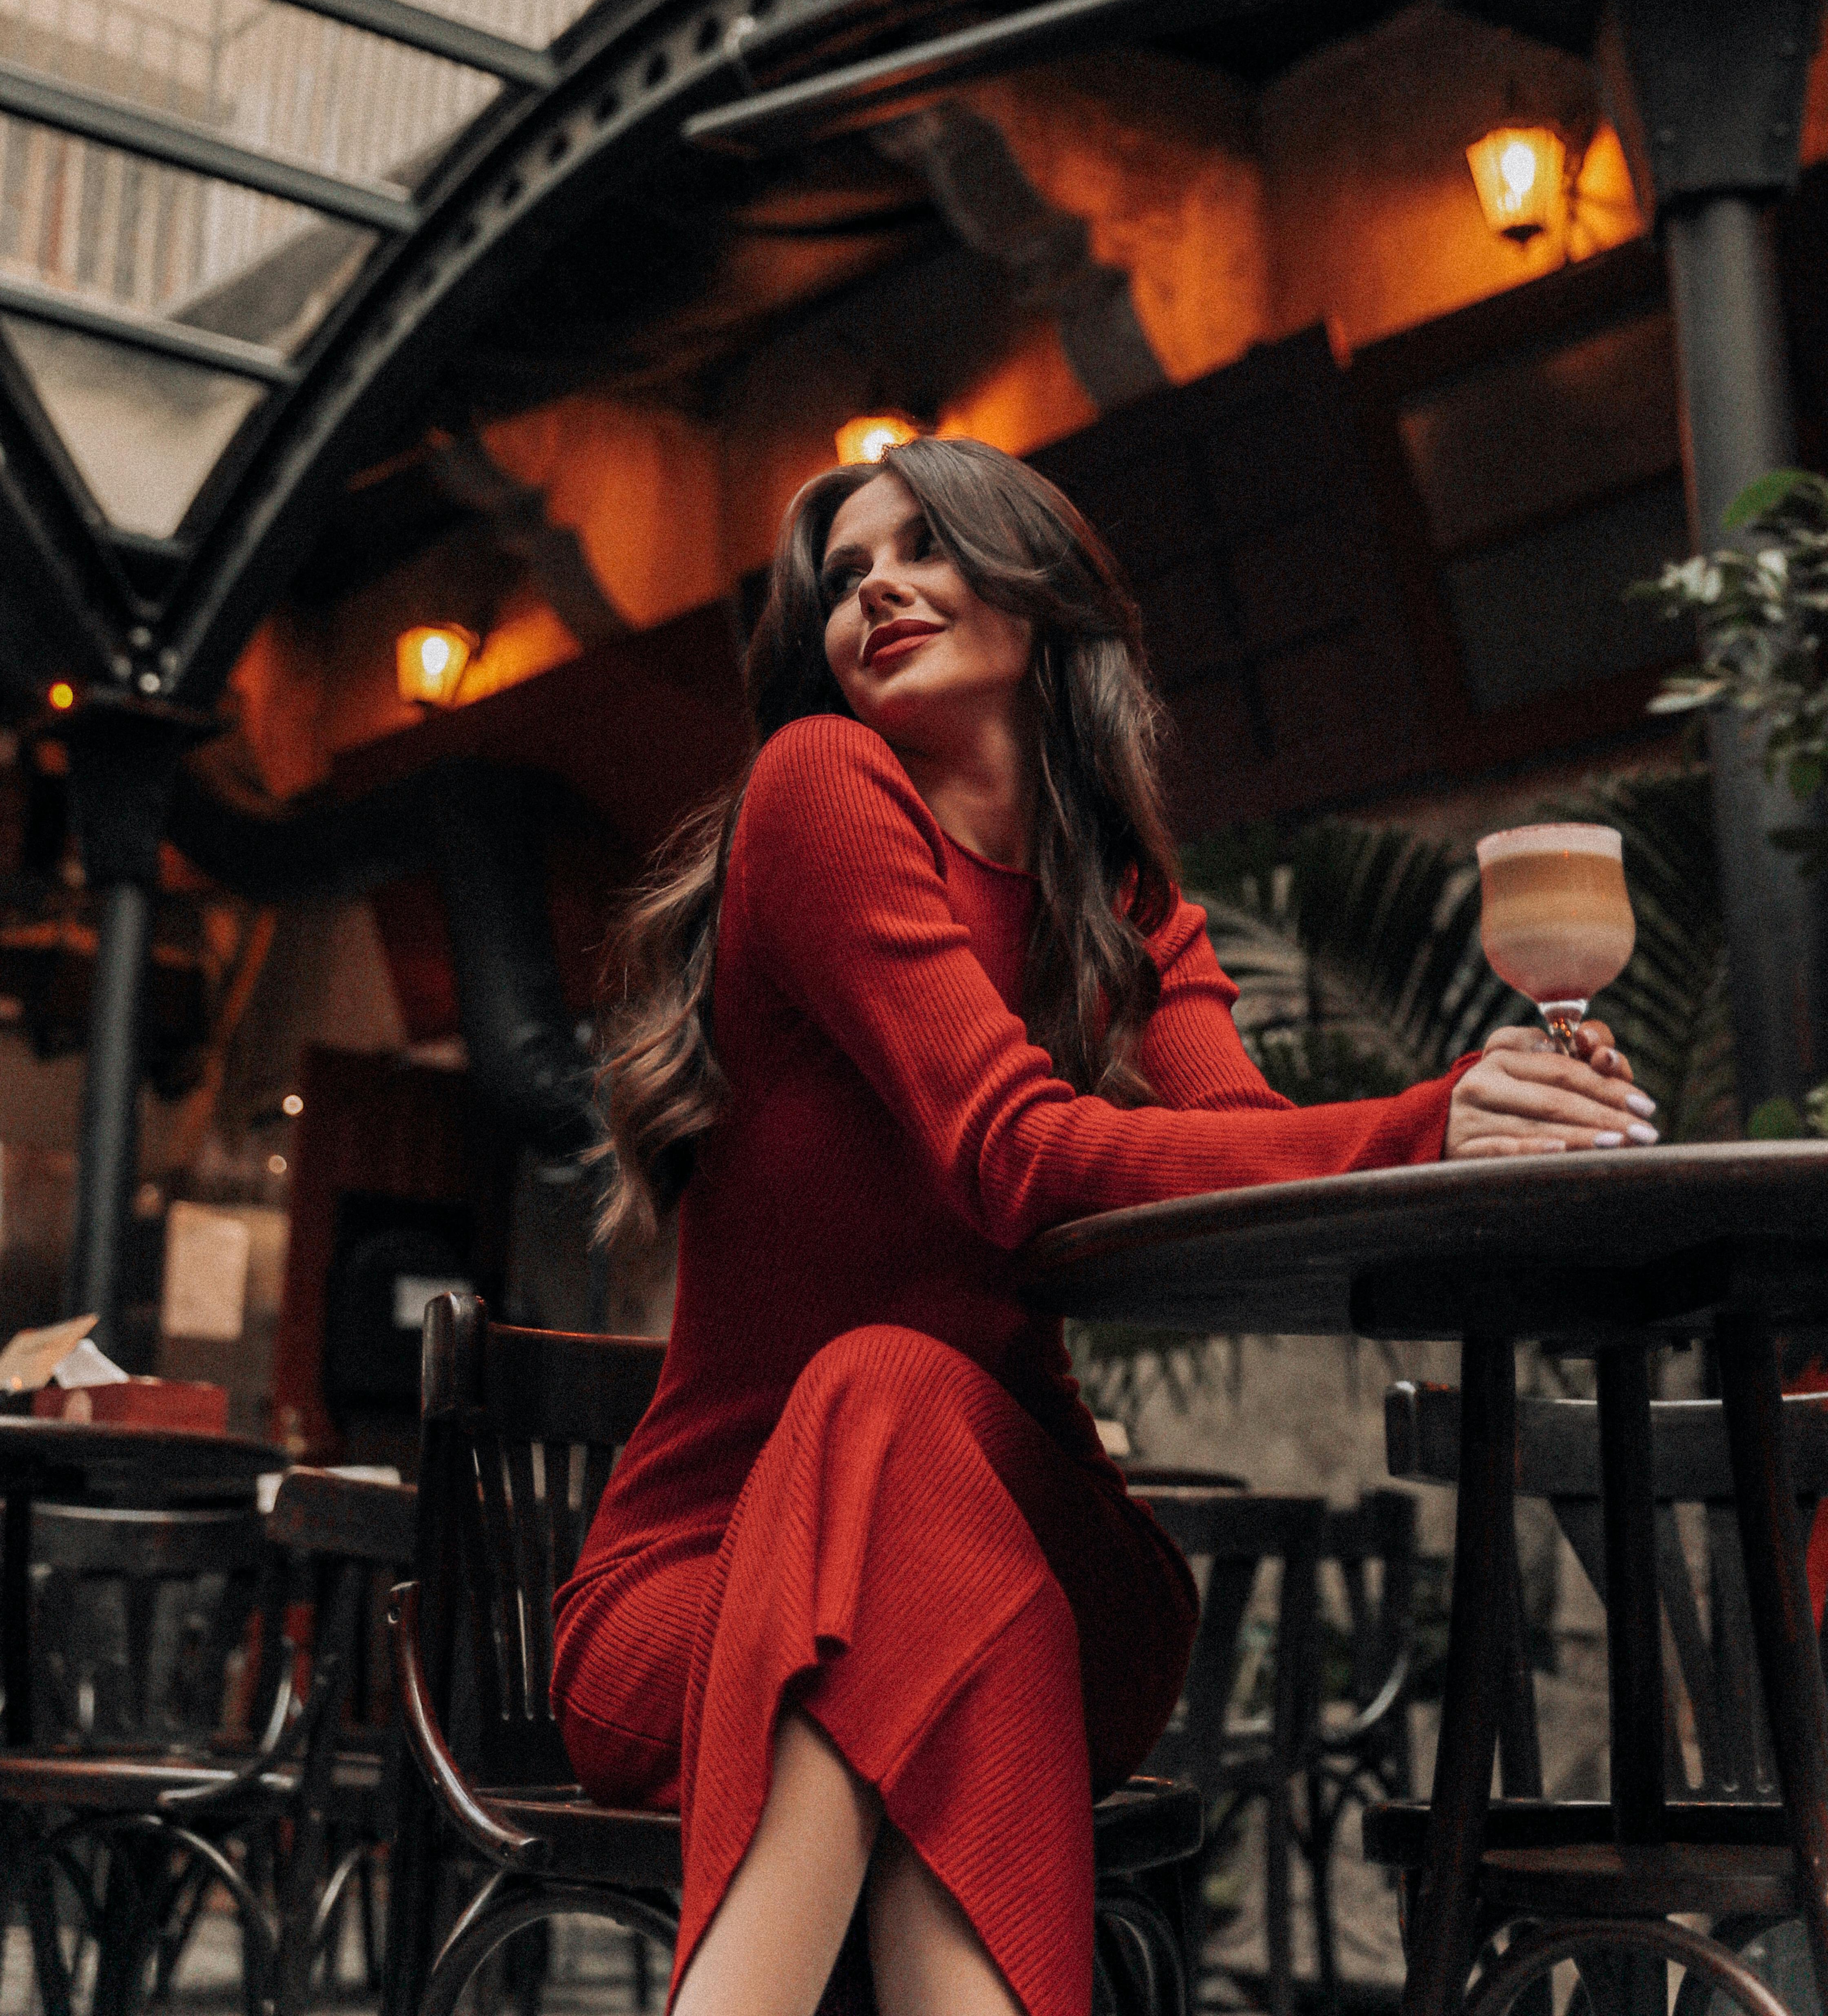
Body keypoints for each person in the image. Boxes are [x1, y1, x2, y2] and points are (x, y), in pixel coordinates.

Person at [552, 438, 1652, 2016]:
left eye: (926, 545)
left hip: (1049, 1574)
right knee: (887, 1383)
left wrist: (1487, 1109)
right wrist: (1429, 1119)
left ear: (1040, 587)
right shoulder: (820, 790)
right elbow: (1010, 1152)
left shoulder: (1118, 897)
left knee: (907, 1412)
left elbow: (1264, 1157)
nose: (875, 585)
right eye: (844, 576)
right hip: (704, 1597)